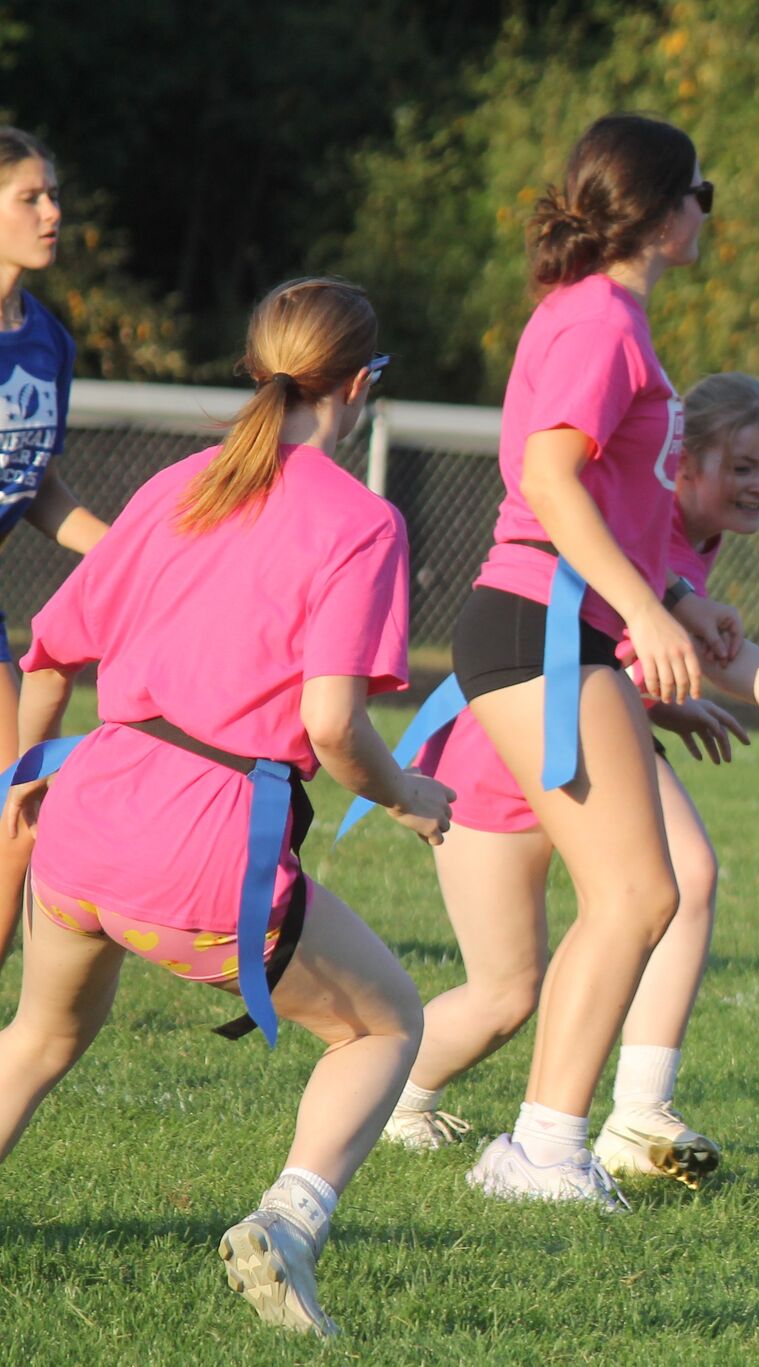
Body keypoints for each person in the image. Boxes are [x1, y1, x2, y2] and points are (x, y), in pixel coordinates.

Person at [0, 277, 452, 1337]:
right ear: (361, 385)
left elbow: (51, 649)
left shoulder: (174, 485)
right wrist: (409, 797)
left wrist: (21, 792)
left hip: (86, 811)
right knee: (387, 1023)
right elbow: (334, 726)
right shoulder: (361, 521)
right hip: (204, 845)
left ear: (257, 369)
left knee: (35, 1037)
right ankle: (288, 1222)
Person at [382, 372, 759, 1187]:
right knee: (504, 990)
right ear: (684, 465)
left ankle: (633, 1111)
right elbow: (669, 649)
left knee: (672, 886)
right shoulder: (646, 518)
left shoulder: (690, 539)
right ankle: (397, 1094)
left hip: (576, 723)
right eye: (744, 467)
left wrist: (666, 706)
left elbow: (660, 652)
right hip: (504, 748)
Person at [0, 127, 108, 965]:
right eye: (30, 196)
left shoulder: (49, 341)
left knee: (21, 800)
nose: (52, 212)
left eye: (53, 194)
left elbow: (36, 485)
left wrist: (127, 552)